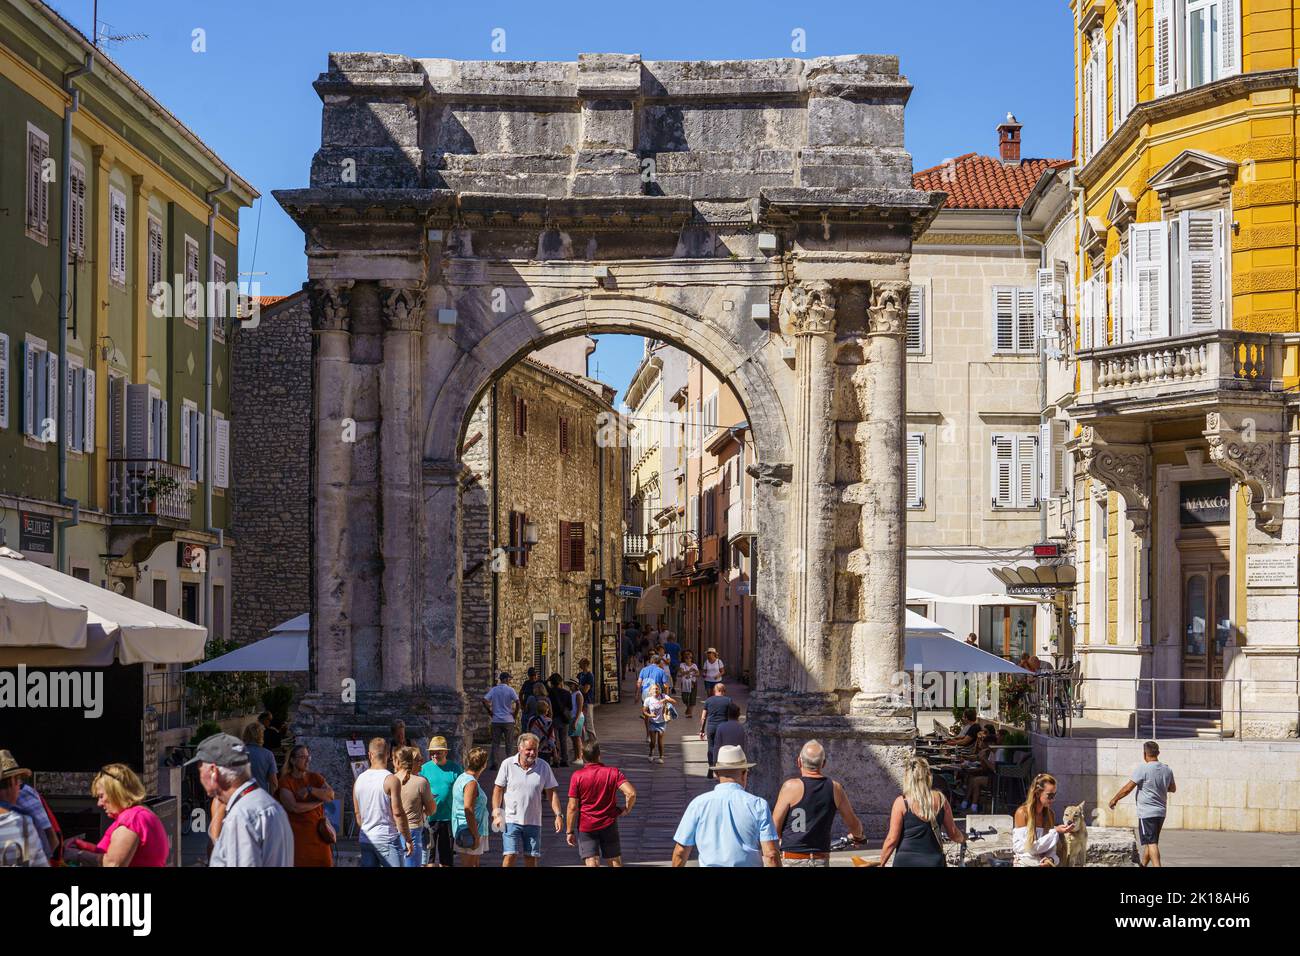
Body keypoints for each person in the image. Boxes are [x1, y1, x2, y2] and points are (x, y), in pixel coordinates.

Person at [188, 733, 294, 867]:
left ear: (213, 771)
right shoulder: (266, 804)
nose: (200, 777)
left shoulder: (241, 816)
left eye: (200, 769)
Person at [672, 745, 778, 867]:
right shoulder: (758, 805)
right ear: (744, 774)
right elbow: (770, 855)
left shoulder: (698, 804)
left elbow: (680, 852)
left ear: (716, 774)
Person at [772, 740, 867, 866]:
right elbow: (854, 824)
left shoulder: (790, 787)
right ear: (824, 763)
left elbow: (774, 826)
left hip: (792, 858)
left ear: (799, 761)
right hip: (820, 860)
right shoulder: (835, 788)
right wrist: (858, 836)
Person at [62, 763, 171, 867]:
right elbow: (110, 855)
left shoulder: (132, 819)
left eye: (101, 796)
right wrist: (87, 848)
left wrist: (78, 855)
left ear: (116, 792)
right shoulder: (139, 814)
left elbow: (113, 864)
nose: (99, 803)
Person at [879, 756, 965, 867]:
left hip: (905, 861)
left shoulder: (901, 803)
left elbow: (892, 839)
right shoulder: (940, 799)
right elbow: (953, 833)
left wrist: (882, 863)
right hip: (933, 861)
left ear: (907, 778)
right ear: (928, 777)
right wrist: (963, 837)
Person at [492, 733, 563, 867]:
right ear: (519, 748)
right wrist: (496, 813)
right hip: (510, 819)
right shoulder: (507, 764)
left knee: (531, 858)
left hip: (533, 820)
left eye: (535, 749)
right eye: (528, 749)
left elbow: (551, 792)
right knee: (510, 854)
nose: (532, 753)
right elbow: (498, 789)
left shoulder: (543, 766)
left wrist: (558, 815)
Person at [566, 740, 637, 867]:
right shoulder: (613, 772)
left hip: (586, 826)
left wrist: (569, 831)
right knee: (614, 860)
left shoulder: (577, 776)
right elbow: (631, 793)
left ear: (582, 755)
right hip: (609, 823)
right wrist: (627, 809)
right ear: (599, 755)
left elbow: (572, 807)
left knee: (592, 861)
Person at [1109, 740, 1177, 867]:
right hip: (1161, 812)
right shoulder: (1167, 769)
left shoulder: (1142, 769)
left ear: (1144, 754)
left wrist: (1115, 799)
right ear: (1158, 753)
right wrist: (1159, 786)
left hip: (1146, 813)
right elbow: (1173, 788)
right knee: (1152, 841)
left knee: (1151, 843)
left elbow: (1127, 788)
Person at [352, 737, 412, 867]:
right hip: (387, 838)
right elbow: (397, 813)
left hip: (366, 839)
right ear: (389, 755)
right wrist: (407, 838)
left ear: (369, 755)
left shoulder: (359, 780)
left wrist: (367, 831)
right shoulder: (391, 779)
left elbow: (357, 813)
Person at [277, 744, 335, 867]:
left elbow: (330, 795)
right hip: (298, 838)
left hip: (319, 836)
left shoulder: (315, 778)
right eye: (303, 757)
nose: (307, 760)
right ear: (292, 760)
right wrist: (317, 802)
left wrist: (310, 790)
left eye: (308, 756)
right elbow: (293, 807)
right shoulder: (285, 781)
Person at [0, 750, 58, 862]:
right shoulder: (24, 821)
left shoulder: (25, 795)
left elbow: (51, 839)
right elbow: (51, 839)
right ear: (13, 781)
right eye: (19, 780)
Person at [419, 736, 463, 867]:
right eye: (432, 752)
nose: (434, 755)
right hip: (428, 818)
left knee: (446, 857)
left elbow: (462, 791)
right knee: (428, 858)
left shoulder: (455, 769)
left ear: (445, 752)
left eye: (438, 752)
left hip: (448, 818)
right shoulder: (424, 769)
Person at [1012, 773, 1074, 867]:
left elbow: (1051, 849)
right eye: (1050, 795)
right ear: (1037, 793)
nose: (1052, 799)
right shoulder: (1022, 813)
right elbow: (1030, 848)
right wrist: (1055, 831)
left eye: (1054, 795)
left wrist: (1050, 859)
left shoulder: (1050, 815)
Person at [393, 746, 435, 867]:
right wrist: (424, 812)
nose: (422, 762)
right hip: (413, 830)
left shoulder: (391, 779)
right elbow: (432, 809)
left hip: (392, 830)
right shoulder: (421, 782)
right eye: (419, 759)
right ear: (411, 762)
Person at [451, 747, 491, 866]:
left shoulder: (462, 777)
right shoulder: (470, 783)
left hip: (466, 828)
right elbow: (468, 809)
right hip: (471, 829)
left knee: (474, 864)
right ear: (484, 764)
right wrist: (475, 835)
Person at [482, 672, 520, 770]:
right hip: (508, 720)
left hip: (496, 720)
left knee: (495, 743)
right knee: (509, 743)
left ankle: (494, 763)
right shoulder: (510, 690)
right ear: (506, 679)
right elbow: (518, 702)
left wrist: (490, 711)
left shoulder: (494, 690)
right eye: (509, 679)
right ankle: (510, 764)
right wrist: (515, 714)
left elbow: (484, 700)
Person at [959, 725, 998, 813]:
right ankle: (968, 803)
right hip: (989, 774)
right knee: (972, 778)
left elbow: (993, 768)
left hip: (996, 779)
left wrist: (983, 759)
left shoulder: (996, 752)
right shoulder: (990, 751)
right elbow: (977, 756)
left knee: (975, 780)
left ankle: (971, 805)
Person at [698, 682, 733, 778]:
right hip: (724, 727)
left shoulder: (708, 700)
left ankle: (711, 767)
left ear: (714, 691)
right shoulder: (728, 700)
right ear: (724, 691)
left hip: (711, 727)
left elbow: (703, 717)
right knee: (723, 747)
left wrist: (701, 730)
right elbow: (731, 715)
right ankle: (721, 770)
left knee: (711, 747)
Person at [642, 682, 677, 764]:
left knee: (660, 741)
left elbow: (674, 702)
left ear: (659, 690)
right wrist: (650, 715)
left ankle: (661, 756)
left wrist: (666, 699)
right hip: (652, 722)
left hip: (662, 723)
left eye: (657, 689)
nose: (655, 690)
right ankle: (651, 753)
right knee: (653, 742)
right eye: (653, 689)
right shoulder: (648, 700)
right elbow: (644, 711)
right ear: (650, 691)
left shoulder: (663, 696)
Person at [241, 722, 279, 795]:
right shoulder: (268, 754)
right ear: (261, 736)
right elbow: (274, 783)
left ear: (245, 734)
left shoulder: (236, 753)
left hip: (241, 797)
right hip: (260, 796)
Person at [547, 672, 574, 767]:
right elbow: (570, 707)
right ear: (560, 682)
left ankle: (556, 759)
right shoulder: (567, 693)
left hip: (553, 718)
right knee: (563, 740)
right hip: (564, 718)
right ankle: (565, 759)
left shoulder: (549, 693)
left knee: (554, 740)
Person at [527, 699, 559, 766]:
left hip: (534, 747)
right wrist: (555, 751)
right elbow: (551, 738)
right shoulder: (549, 721)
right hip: (545, 748)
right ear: (546, 710)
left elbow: (528, 734)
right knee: (544, 768)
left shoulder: (532, 720)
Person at [575, 660, 597, 741]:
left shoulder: (589, 675)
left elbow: (585, 690)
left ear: (585, 664)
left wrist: (579, 686)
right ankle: (583, 744)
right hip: (579, 702)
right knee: (580, 725)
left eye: (580, 664)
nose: (579, 665)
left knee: (589, 725)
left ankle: (593, 744)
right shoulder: (579, 675)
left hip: (587, 702)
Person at [566, 678, 587, 762]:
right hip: (572, 717)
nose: (570, 686)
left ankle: (579, 757)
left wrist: (576, 721)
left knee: (577, 738)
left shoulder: (578, 694)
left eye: (571, 684)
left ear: (575, 685)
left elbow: (579, 708)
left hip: (577, 717)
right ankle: (576, 756)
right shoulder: (572, 694)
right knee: (573, 738)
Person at [677, 650, 701, 717]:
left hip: (693, 682)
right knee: (684, 697)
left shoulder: (694, 665)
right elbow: (681, 673)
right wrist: (689, 671)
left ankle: (690, 712)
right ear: (684, 659)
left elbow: (698, 673)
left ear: (691, 658)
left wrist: (692, 675)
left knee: (692, 697)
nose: (688, 659)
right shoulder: (682, 665)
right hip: (684, 683)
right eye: (686, 658)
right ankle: (688, 708)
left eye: (689, 658)